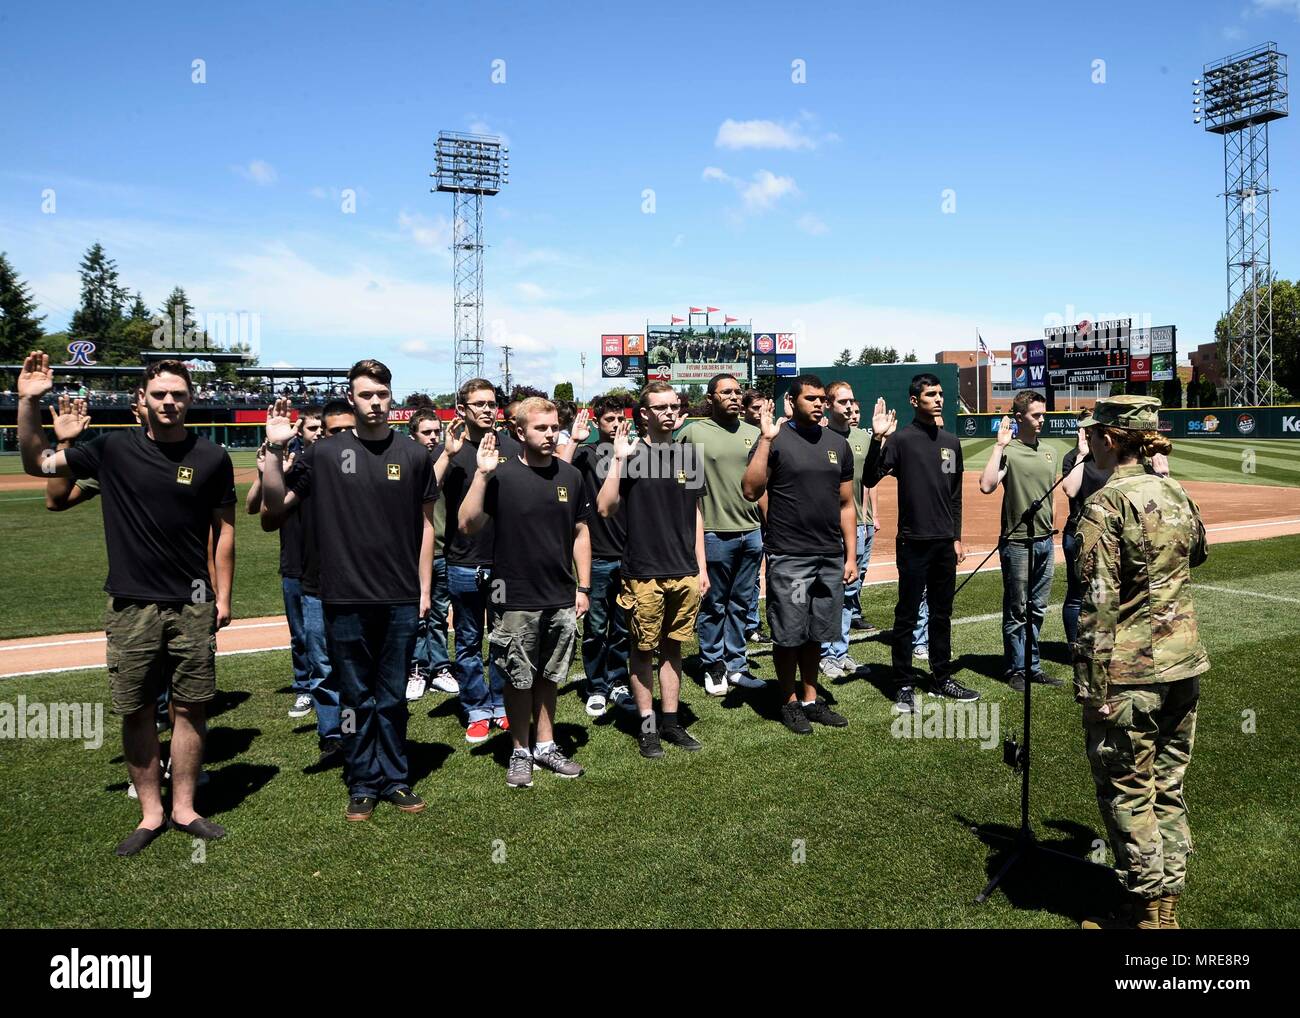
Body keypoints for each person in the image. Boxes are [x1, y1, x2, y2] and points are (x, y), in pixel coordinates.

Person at [18, 352, 235, 856]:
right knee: (136, 709)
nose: (168, 402)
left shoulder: (212, 457)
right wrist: (30, 405)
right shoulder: (112, 449)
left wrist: (223, 596)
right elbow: (39, 466)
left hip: (192, 604)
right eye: (159, 394)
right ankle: (151, 814)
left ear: (191, 399)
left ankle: (184, 809)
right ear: (142, 399)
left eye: (178, 394)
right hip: (131, 604)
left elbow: (224, 532)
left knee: (191, 708)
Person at [261, 360, 436, 821]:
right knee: (356, 697)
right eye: (364, 395)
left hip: (399, 597)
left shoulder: (414, 455)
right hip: (342, 598)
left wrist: (422, 589)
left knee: (393, 695)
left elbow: (425, 526)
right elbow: (272, 512)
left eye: (381, 394)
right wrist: (275, 454)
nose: (374, 403)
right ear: (352, 397)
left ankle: (396, 778)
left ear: (391, 396)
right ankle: (362, 781)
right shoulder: (323, 453)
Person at [1073, 396, 1209, 930]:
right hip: (1184, 664)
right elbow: (1197, 554)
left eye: (1093, 435)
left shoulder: (1105, 505)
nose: (1088, 442)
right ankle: (1161, 901)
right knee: (1168, 786)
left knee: (1128, 789)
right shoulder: (1176, 491)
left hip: (1128, 674)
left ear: (1110, 440)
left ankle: (1148, 916)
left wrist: (1091, 684)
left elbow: (1098, 601)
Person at [459, 397, 592, 787]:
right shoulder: (499, 475)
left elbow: (580, 533)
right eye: (541, 428)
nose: (550, 434)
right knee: (518, 679)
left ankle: (546, 745)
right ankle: (520, 749)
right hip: (513, 598)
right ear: (519, 432)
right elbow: (467, 525)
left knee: (550, 676)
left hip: (560, 595)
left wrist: (583, 585)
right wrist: (481, 476)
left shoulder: (570, 476)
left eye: (554, 428)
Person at [597, 382, 709, 757]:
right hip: (642, 571)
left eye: (674, 406)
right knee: (642, 650)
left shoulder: (689, 455)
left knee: (673, 648)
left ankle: (671, 722)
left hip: (684, 570)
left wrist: (701, 567)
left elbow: (695, 513)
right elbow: (605, 508)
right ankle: (648, 728)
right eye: (660, 406)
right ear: (643, 413)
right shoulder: (625, 453)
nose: (670, 412)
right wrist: (618, 459)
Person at [742, 375, 855, 734]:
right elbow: (750, 489)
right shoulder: (776, 440)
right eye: (811, 398)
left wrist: (850, 555)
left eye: (822, 398)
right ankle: (788, 701)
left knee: (818, 631)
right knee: (789, 632)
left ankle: (810, 699)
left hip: (829, 555)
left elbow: (847, 504)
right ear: (792, 402)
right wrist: (765, 439)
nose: (819, 404)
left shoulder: (838, 443)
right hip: (790, 554)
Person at [865, 375, 979, 714]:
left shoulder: (950, 442)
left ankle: (941, 677)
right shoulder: (900, 441)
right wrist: (876, 438)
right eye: (931, 394)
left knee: (942, 614)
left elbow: (955, 495)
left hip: (944, 542)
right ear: (915, 400)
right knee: (907, 615)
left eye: (941, 394)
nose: (938, 399)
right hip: (913, 541)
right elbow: (870, 477)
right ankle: (902, 683)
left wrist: (956, 537)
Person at [440, 379, 522, 741]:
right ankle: (476, 706)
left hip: (505, 561)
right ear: (462, 410)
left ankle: (502, 704)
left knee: (503, 638)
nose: (488, 409)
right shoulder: (452, 449)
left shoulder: (513, 447)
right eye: (479, 404)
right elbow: (417, 492)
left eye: (492, 403)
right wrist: (446, 454)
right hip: (462, 561)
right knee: (469, 640)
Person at [680, 373, 766, 694]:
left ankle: (737, 665)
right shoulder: (692, 433)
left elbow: (762, 485)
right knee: (714, 603)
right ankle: (713, 664)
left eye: (737, 391)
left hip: (751, 532)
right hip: (714, 533)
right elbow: (684, 490)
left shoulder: (754, 433)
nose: (733, 396)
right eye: (726, 391)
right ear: (711, 397)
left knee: (741, 603)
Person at [978, 390, 1065, 692]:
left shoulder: (1050, 451)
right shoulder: (1009, 451)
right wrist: (999, 446)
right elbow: (987, 485)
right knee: (1017, 608)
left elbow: (1052, 497)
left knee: (1038, 608)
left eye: (1043, 415)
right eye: (1035, 415)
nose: (1042, 420)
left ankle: (1033, 666)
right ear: (1019, 418)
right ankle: (1016, 668)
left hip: (1045, 541)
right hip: (1017, 542)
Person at [246, 406, 324, 718]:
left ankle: (330, 688)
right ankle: (304, 688)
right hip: (294, 561)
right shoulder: (291, 467)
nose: (317, 432)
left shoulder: (338, 464)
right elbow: (255, 508)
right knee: (301, 634)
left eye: (322, 427)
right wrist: (270, 473)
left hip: (328, 563)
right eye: (311, 428)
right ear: (299, 433)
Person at [567, 396, 633, 715]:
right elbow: (558, 474)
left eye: (620, 418)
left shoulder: (634, 454)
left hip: (630, 554)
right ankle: (595, 686)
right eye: (610, 420)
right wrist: (574, 440)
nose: (617, 424)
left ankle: (618, 681)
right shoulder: (585, 454)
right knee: (595, 628)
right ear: (597, 422)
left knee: (622, 627)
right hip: (596, 555)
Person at [819, 382, 880, 678]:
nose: (848, 406)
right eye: (841, 401)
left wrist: (880, 439)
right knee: (827, 592)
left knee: (848, 591)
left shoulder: (863, 438)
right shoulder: (819, 436)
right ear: (829, 405)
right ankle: (823, 653)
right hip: (825, 527)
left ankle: (840, 651)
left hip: (857, 525)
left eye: (851, 401)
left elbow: (873, 477)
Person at [405, 408, 459, 700]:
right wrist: (447, 455)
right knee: (417, 616)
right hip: (414, 553)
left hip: (443, 551)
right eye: (426, 432)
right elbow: (425, 489)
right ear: (412, 434)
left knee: (438, 615)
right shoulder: (408, 461)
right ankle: (417, 669)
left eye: (436, 431)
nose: (433, 437)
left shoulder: (444, 458)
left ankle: (439, 668)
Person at [1061, 409, 1112, 645]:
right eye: (1085, 428)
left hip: (1108, 534)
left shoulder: (1110, 455)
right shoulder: (1072, 458)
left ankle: (1101, 643)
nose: (1089, 432)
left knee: (1107, 591)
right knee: (1076, 595)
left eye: (1093, 428)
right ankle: (1074, 646)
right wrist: (1082, 455)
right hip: (1078, 534)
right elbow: (1071, 490)